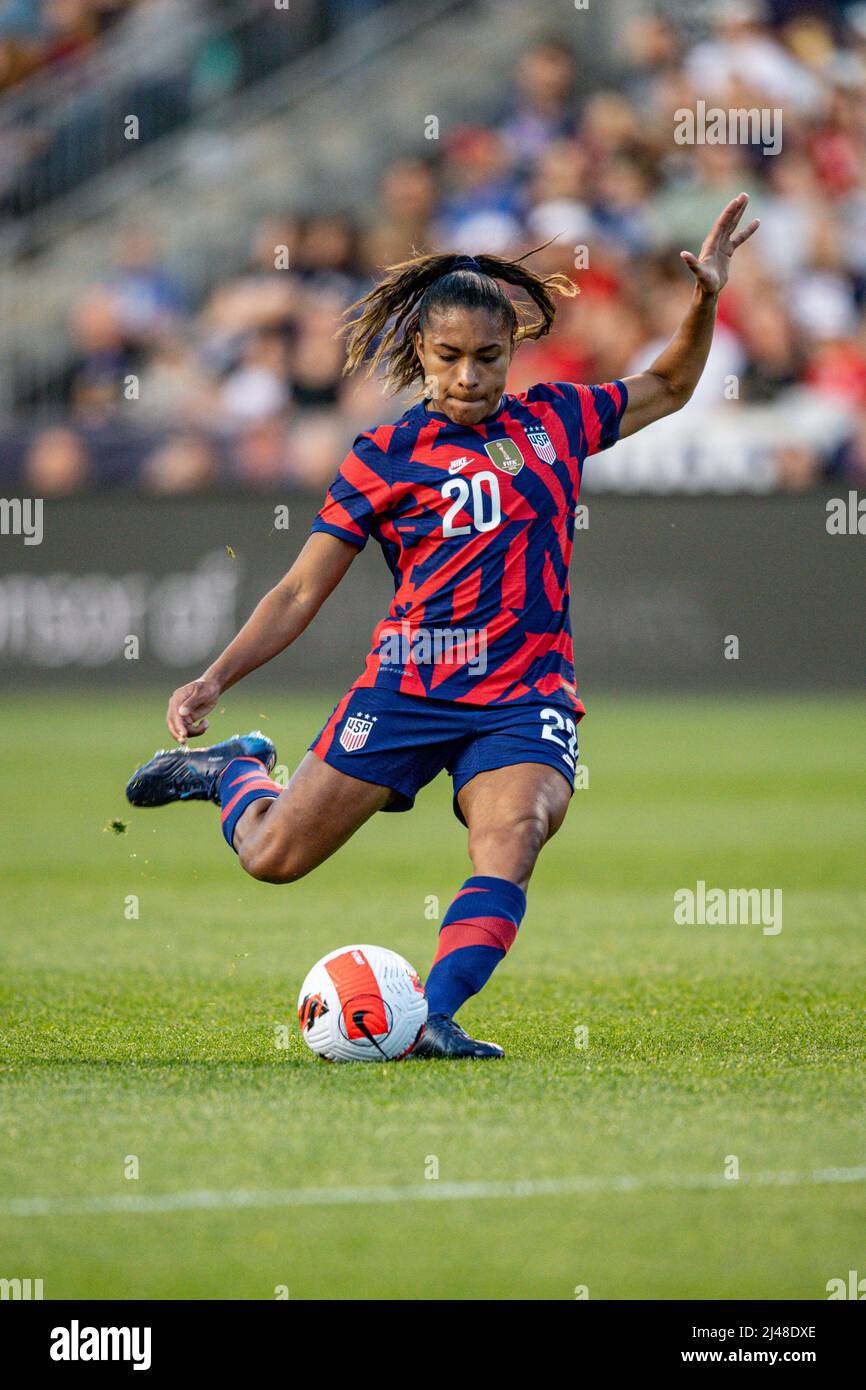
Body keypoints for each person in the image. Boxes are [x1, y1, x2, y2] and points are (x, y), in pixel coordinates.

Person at [126, 194, 759, 1060]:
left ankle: (433, 1018)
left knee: (515, 833)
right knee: (272, 856)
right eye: (451, 357)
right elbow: (300, 591)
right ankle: (236, 771)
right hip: (408, 685)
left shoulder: (556, 422)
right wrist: (214, 679)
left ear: (514, 351)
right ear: (419, 350)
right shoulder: (382, 457)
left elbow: (672, 385)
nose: (469, 377)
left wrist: (706, 297)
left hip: (524, 694)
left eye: (489, 357)